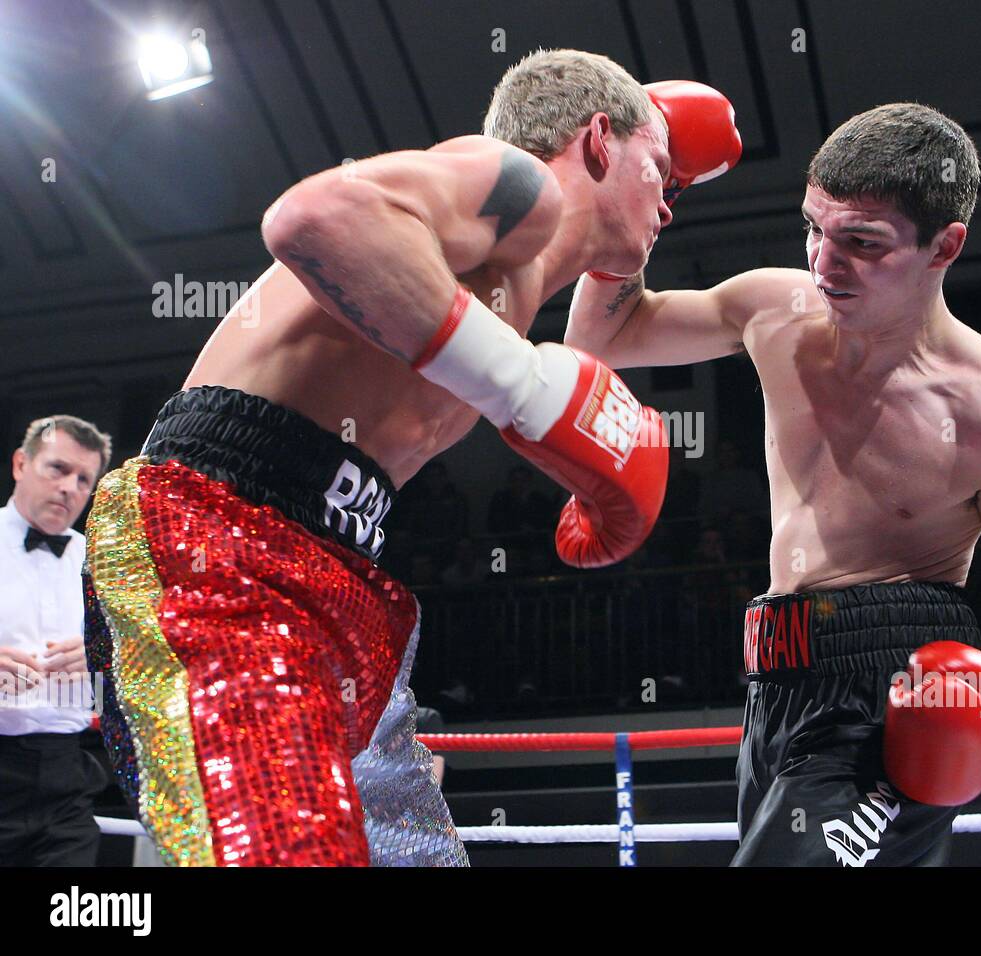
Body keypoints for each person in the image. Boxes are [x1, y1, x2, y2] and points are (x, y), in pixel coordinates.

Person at [82, 50, 739, 867]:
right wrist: (522, 386)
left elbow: (583, 341)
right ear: (598, 140)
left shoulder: (514, 299)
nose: (668, 207)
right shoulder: (515, 187)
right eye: (661, 173)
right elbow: (313, 219)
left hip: (350, 582)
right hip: (217, 537)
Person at [566, 103, 981, 866]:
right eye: (814, 227)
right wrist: (643, 188)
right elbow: (600, 338)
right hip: (775, 679)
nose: (824, 262)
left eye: (862, 244)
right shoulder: (776, 311)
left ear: (945, 246)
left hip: (891, 692)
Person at [0, 416, 112, 865]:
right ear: (21, 464)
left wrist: (103, 661)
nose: (70, 487)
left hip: (68, 775)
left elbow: (142, 671)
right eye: (58, 469)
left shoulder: (103, 564)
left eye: (84, 478)